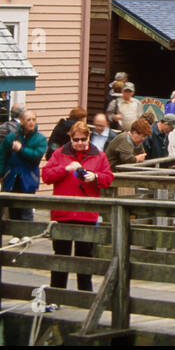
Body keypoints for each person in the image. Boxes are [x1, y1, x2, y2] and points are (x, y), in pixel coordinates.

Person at [42, 120, 114, 292]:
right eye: (76, 140)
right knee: (61, 257)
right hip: (63, 214)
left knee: (85, 258)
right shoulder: (60, 153)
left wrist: (95, 177)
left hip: (87, 215)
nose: (80, 143)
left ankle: (85, 295)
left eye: (83, 139)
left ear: (88, 138)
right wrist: (65, 168)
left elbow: (108, 177)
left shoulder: (99, 155)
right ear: (71, 139)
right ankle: (57, 295)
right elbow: (46, 176)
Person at [0, 110, 47, 221]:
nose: (31, 122)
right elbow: (1, 155)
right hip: (12, 175)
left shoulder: (40, 139)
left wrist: (21, 150)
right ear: (22, 121)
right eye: (28, 120)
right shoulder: (12, 137)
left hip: (29, 176)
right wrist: (0, 173)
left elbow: (36, 156)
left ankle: (26, 235)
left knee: (26, 207)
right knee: (13, 207)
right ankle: (16, 235)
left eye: (34, 119)